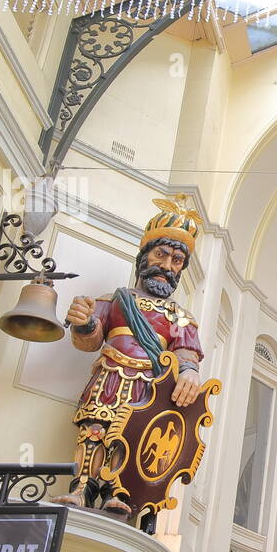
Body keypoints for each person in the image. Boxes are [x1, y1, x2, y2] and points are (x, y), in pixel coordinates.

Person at [55, 195, 206, 523]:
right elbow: (91, 338)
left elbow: (185, 353)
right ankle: (83, 488)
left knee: (130, 437)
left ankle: (118, 493)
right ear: (144, 255)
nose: (167, 266)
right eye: (161, 254)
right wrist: (84, 321)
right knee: (96, 428)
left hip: (148, 388)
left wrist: (190, 373)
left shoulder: (181, 317)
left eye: (177, 261)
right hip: (110, 375)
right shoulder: (115, 299)